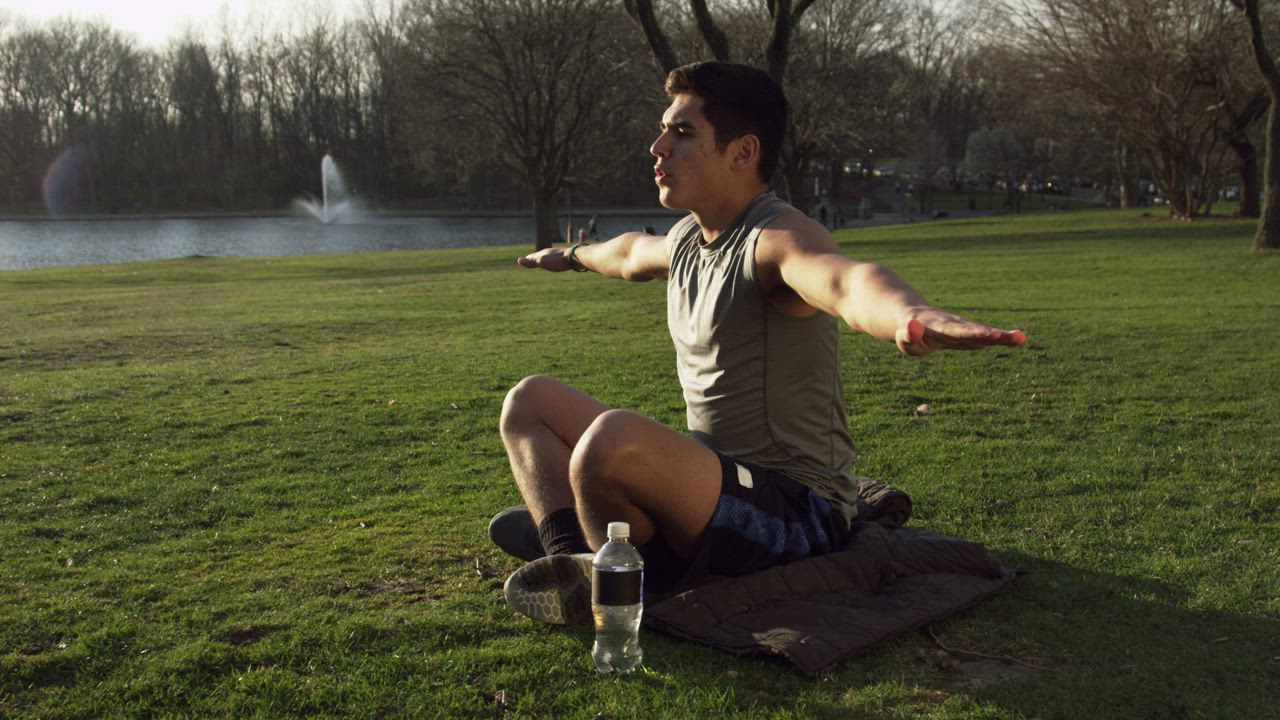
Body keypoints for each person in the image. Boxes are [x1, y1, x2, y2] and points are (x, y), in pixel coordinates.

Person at [492, 61, 1025, 625]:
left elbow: (846, 281)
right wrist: (569, 256)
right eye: (663, 130)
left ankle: (614, 583)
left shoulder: (777, 240)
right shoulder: (684, 243)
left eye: (682, 133)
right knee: (531, 402)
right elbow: (624, 253)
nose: (657, 147)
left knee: (610, 440)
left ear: (743, 153)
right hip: (714, 487)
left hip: (797, 514)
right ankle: (570, 560)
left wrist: (907, 313)